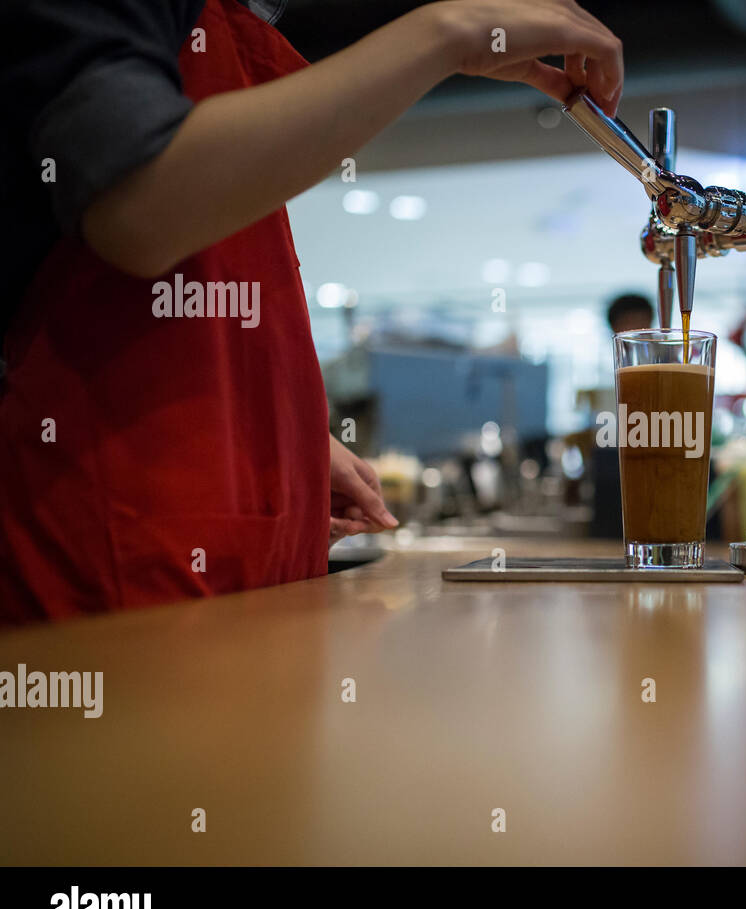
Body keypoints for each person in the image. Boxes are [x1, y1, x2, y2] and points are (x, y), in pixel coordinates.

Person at [0, 0, 624, 623]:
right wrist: (446, 34)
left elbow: (181, 304)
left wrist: (286, 443)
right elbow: (136, 200)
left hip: (233, 605)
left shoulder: (226, 23)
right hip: (109, 602)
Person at [588, 292, 654, 538]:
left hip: (649, 457)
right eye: (628, 322)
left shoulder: (660, 362)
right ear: (614, 326)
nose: (636, 328)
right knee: (610, 537)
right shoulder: (600, 366)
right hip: (609, 465)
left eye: (642, 322)